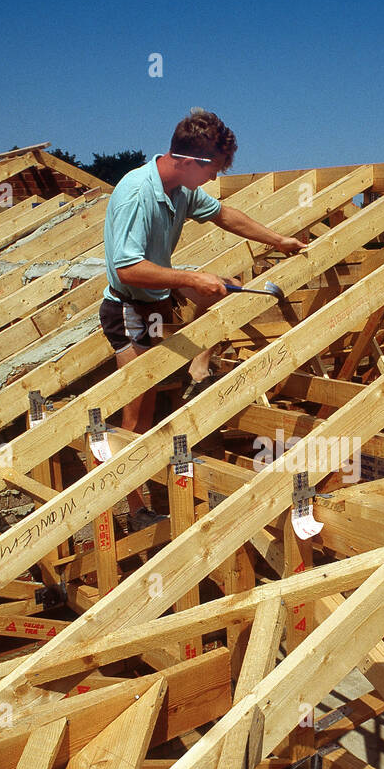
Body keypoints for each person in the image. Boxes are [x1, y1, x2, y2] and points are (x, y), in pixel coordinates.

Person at [99, 108, 304, 530]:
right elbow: (126, 268)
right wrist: (190, 277)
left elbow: (224, 215)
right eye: (213, 170)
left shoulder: (182, 190)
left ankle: (198, 366)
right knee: (135, 415)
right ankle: (134, 509)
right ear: (189, 162)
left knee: (221, 288)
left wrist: (278, 240)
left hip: (154, 300)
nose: (214, 180)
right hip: (128, 308)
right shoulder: (138, 193)